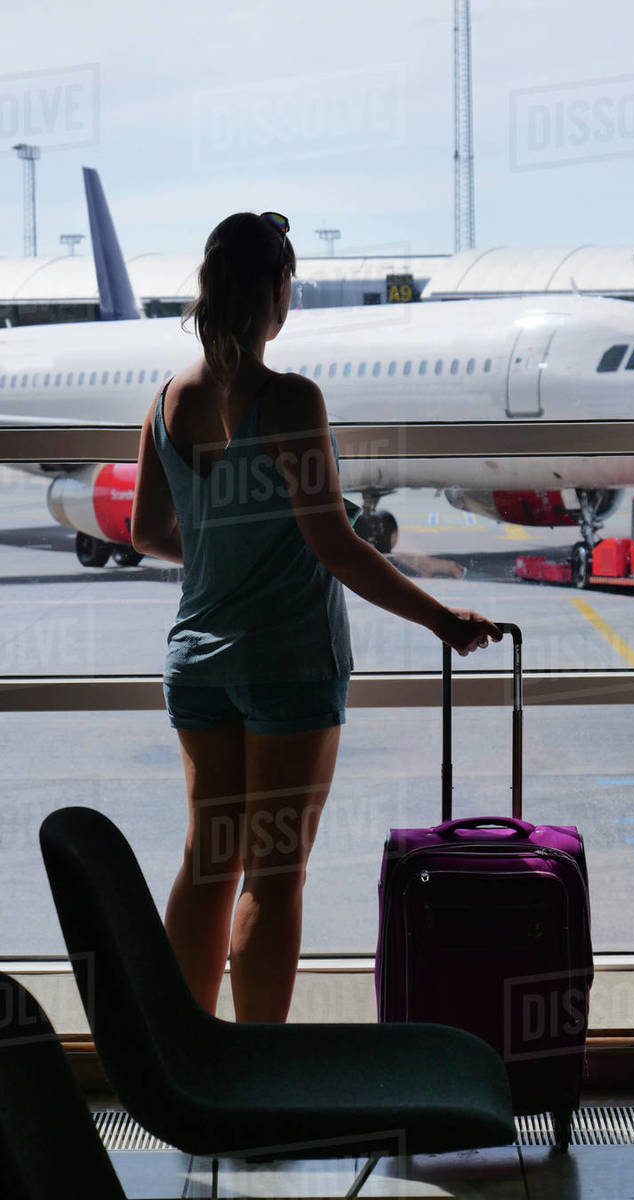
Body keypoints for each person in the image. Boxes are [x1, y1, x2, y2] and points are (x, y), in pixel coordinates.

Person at [131, 211, 501, 1023]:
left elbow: (146, 532)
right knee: (273, 875)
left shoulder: (166, 401)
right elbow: (334, 544)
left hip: (196, 663)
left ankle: (185, 1056)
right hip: (288, 664)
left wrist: (224, 551)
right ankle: (258, 1067)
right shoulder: (290, 399)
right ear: (277, 289)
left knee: (206, 865)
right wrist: (441, 620)